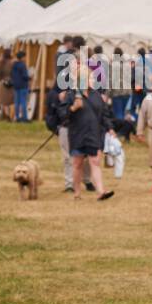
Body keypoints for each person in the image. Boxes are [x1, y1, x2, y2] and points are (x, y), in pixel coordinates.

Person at [59, 58, 116, 202]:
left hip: (94, 134)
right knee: (77, 164)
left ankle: (101, 192)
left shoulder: (96, 95)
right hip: (77, 134)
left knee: (95, 162)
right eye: (89, 77)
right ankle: (77, 192)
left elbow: (104, 114)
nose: (93, 80)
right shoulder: (71, 95)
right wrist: (73, 108)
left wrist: (110, 128)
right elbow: (63, 115)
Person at [10, 51, 31, 122]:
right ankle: (24, 118)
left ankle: (17, 117)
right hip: (23, 86)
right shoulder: (22, 65)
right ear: (22, 57)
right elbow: (25, 76)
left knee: (17, 103)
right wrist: (30, 77)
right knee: (23, 102)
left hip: (16, 86)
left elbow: (12, 75)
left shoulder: (13, 65)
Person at [0, 48, 15, 122]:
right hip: (12, 82)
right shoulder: (12, 63)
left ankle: (8, 116)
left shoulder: (1, 62)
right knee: (11, 101)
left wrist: (1, 79)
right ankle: (11, 116)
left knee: (5, 102)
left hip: (4, 83)